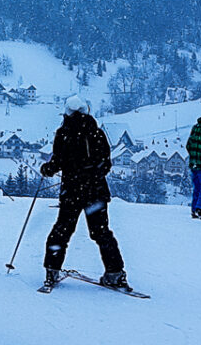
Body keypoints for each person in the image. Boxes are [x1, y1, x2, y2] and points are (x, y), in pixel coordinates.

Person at [38, 96, 130, 292]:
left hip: (72, 190)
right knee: (101, 232)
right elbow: (106, 163)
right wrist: (92, 175)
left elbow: (57, 161)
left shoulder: (63, 134)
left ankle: (52, 270)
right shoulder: (97, 133)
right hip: (95, 191)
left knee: (62, 230)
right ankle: (115, 273)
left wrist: (48, 169)